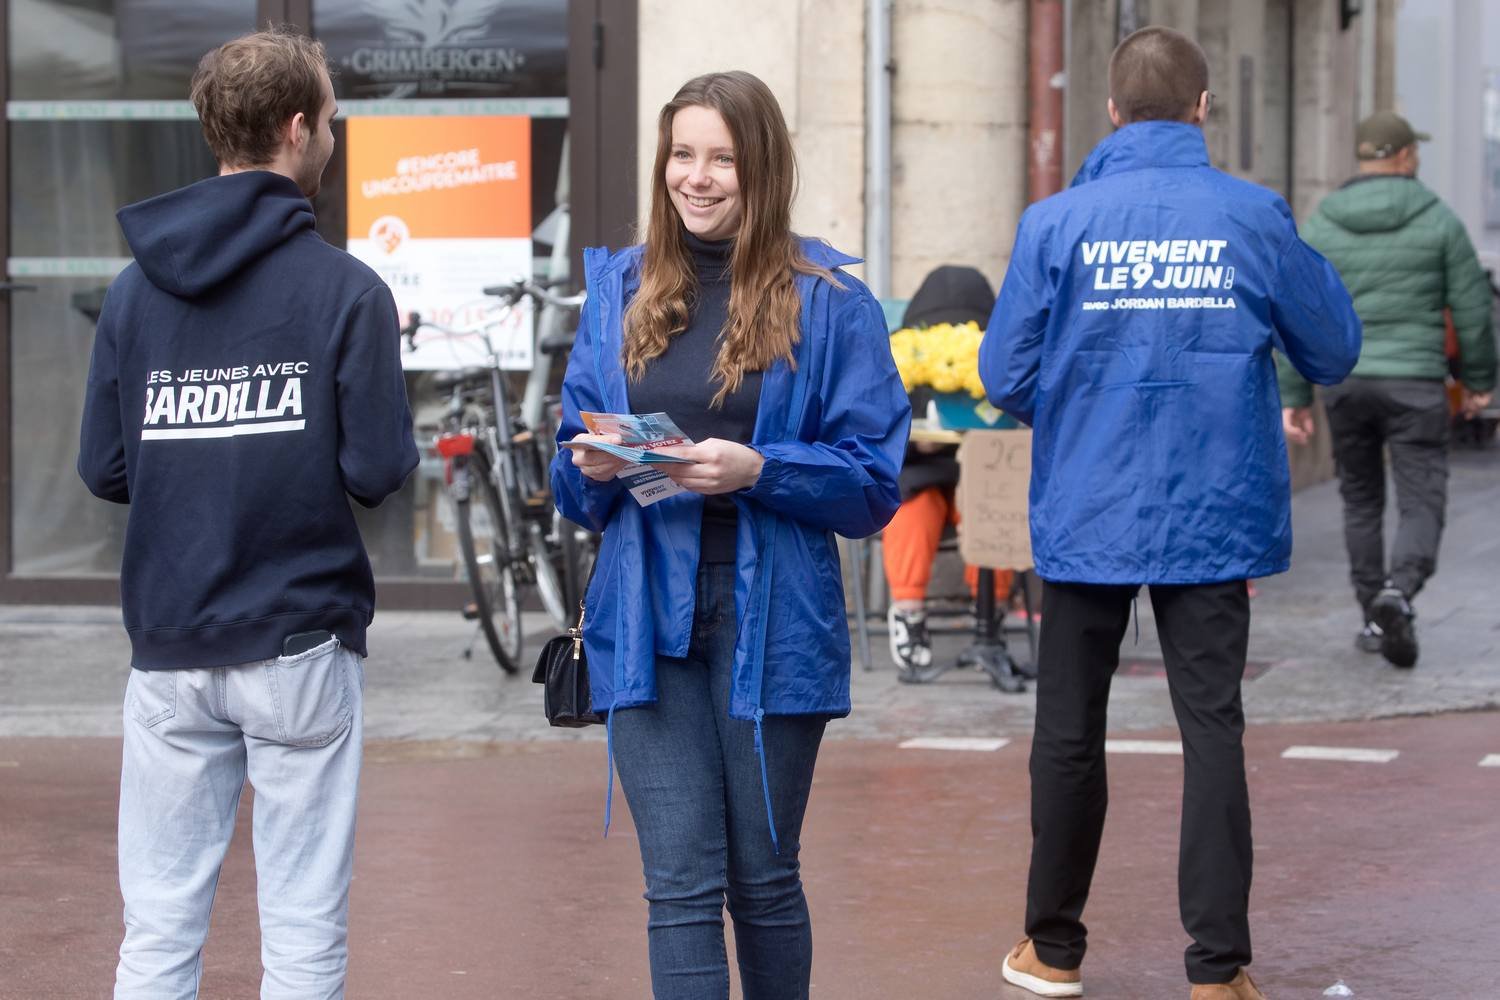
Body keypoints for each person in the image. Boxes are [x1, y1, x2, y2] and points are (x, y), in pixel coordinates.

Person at [980, 27, 1360, 1000]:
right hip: (1213, 503)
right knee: (1212, 730)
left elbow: (1003, 373)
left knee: (1068, 729)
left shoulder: (1054, 223)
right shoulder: (1251, 214)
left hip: (1087, 505)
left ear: (1111, 112)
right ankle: (1218, 968)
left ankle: (1053, 947)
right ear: (1203, 108)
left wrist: (1079, 402)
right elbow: (1333, 346)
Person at [551, 70, 909, 1000]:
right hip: (643, 620)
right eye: (682, 154)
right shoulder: (618, 292)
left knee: (762, 879)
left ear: (764, 171)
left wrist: (763, 469)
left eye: (723, 158)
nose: (698, 178)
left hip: (775, 620)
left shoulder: (831, 303)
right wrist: (590, 463)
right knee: (677, 887)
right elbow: (571, 471)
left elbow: (874, 485)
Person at [77, 28, 417, 999]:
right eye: (335, 123)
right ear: (298, 129)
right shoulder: (346, 290)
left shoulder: (137, 293)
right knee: (303, 926)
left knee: (158, 924)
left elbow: (104, 467)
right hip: (301, 639)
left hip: (173, 636)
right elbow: (379, 468)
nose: (335, 141)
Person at [1279, 110, 1497, 669]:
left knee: (1361, 498)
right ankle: (1397, 594)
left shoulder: (1322, 222)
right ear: (1404, 156)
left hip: (1347, 384)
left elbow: (1297, 308)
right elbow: (1472, 308)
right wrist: (1477, 383)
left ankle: (1371, 615)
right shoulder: (1438, 220)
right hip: (1416, 383)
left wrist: (1295, 394)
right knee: (1422, 495)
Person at [883, 264, 1015, 675]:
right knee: (909, 509)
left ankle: (987, 618)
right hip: (918, 473)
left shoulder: (995, 363)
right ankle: (908, 612)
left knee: (993, 511)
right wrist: (914, 442)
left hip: (979, 475)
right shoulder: (904, 361)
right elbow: (875, 432)